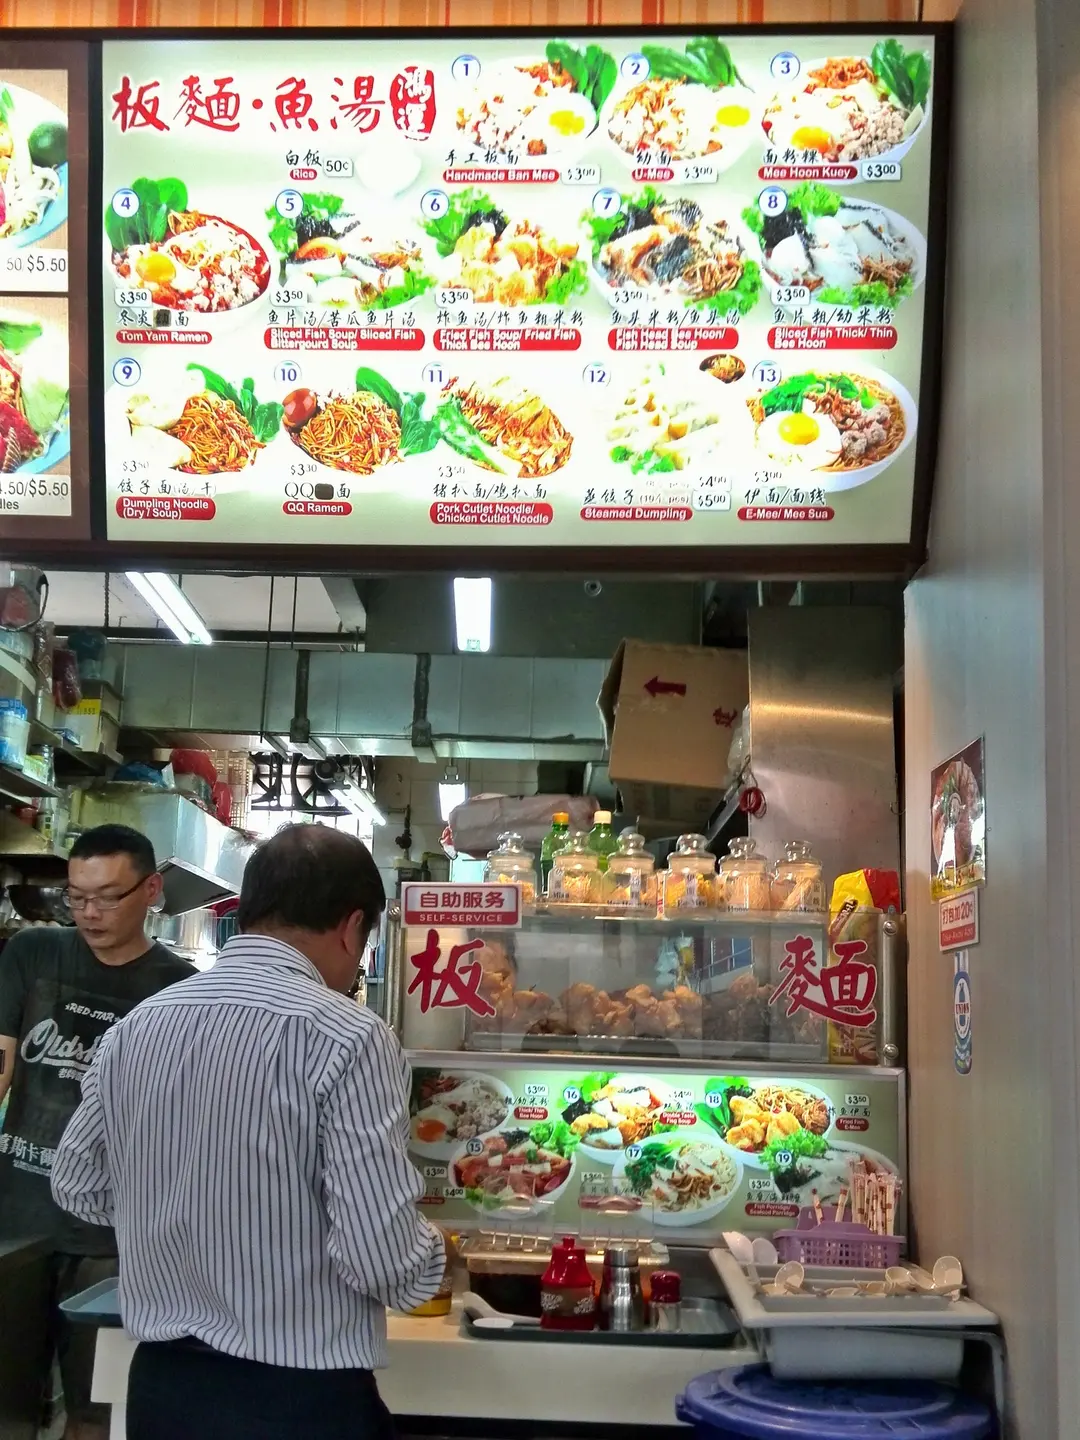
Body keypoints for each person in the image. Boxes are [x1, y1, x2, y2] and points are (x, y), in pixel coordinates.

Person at [52, 823, 446, 1440]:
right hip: (296, 1397)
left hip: (162, 1386)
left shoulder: (139, 1027)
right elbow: (380, 1259)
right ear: (352, 928)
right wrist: (438, 1264)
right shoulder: (348, 1035)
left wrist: (176, 1210)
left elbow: (76, 1182)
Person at [0, 824, 193, 1440]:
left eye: (108, 896)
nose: (89, 912)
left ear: (151, 889)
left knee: (97, 1409)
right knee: (6, 1404)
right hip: (15, 1222)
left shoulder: (179, 990)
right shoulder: (33, 954)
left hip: (111, 1236)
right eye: (76, 897)